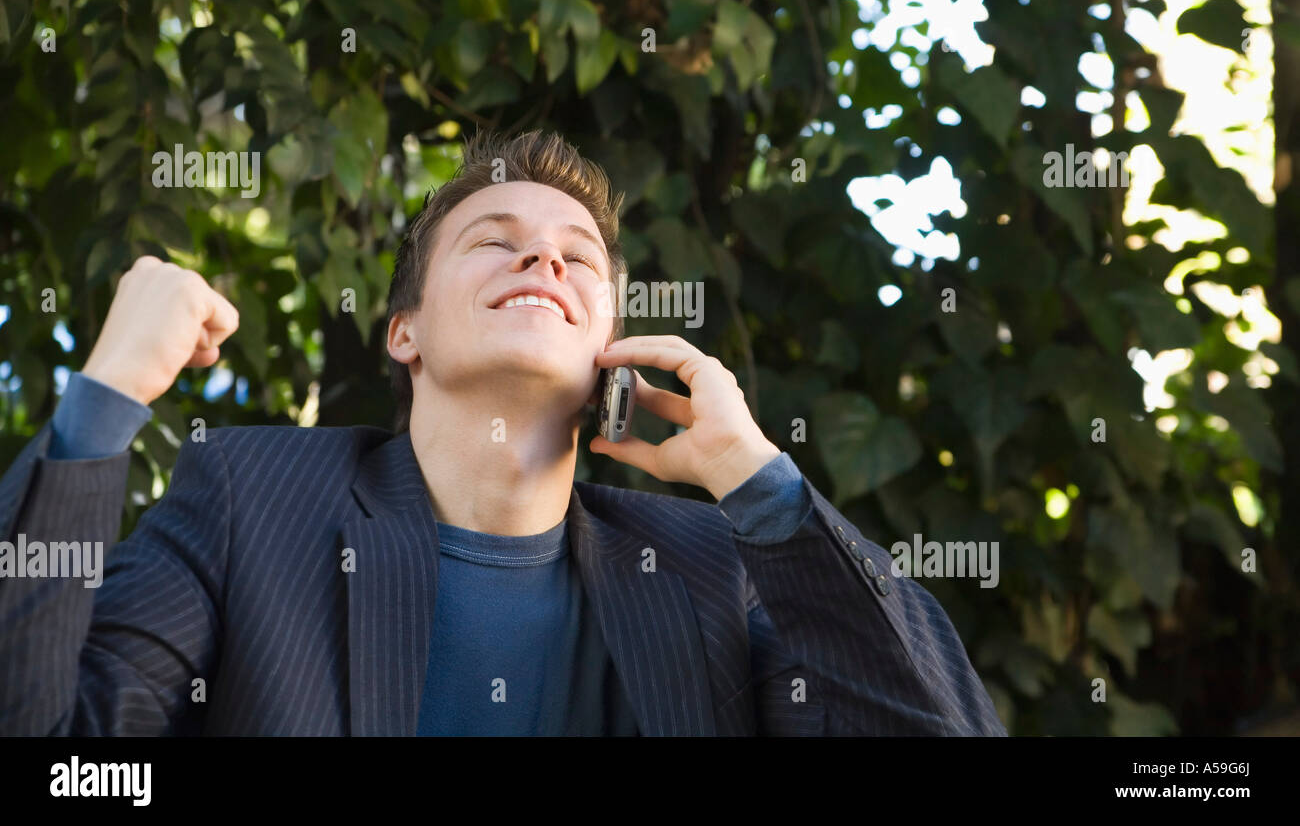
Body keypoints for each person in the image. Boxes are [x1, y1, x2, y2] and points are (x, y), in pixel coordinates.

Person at [0, 129, 1006, 736]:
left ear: (613, 339)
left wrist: (759, 484)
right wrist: (105, 398)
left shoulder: (708, 568)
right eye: (495, 240)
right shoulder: (249, 497)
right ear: (407, 331)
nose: (543, 257)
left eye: (579, 257)